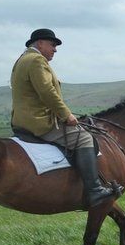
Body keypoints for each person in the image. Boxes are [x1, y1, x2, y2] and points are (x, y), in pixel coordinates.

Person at [10, 28, 117, 208]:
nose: (55, 49)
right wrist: (66, 115)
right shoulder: (36, 60)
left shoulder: (22, 59)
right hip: (38, 122)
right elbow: (47, 92)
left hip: (22, 121)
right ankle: (95, 191)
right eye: (52, 45)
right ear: (40, 43)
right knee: (84, 139)